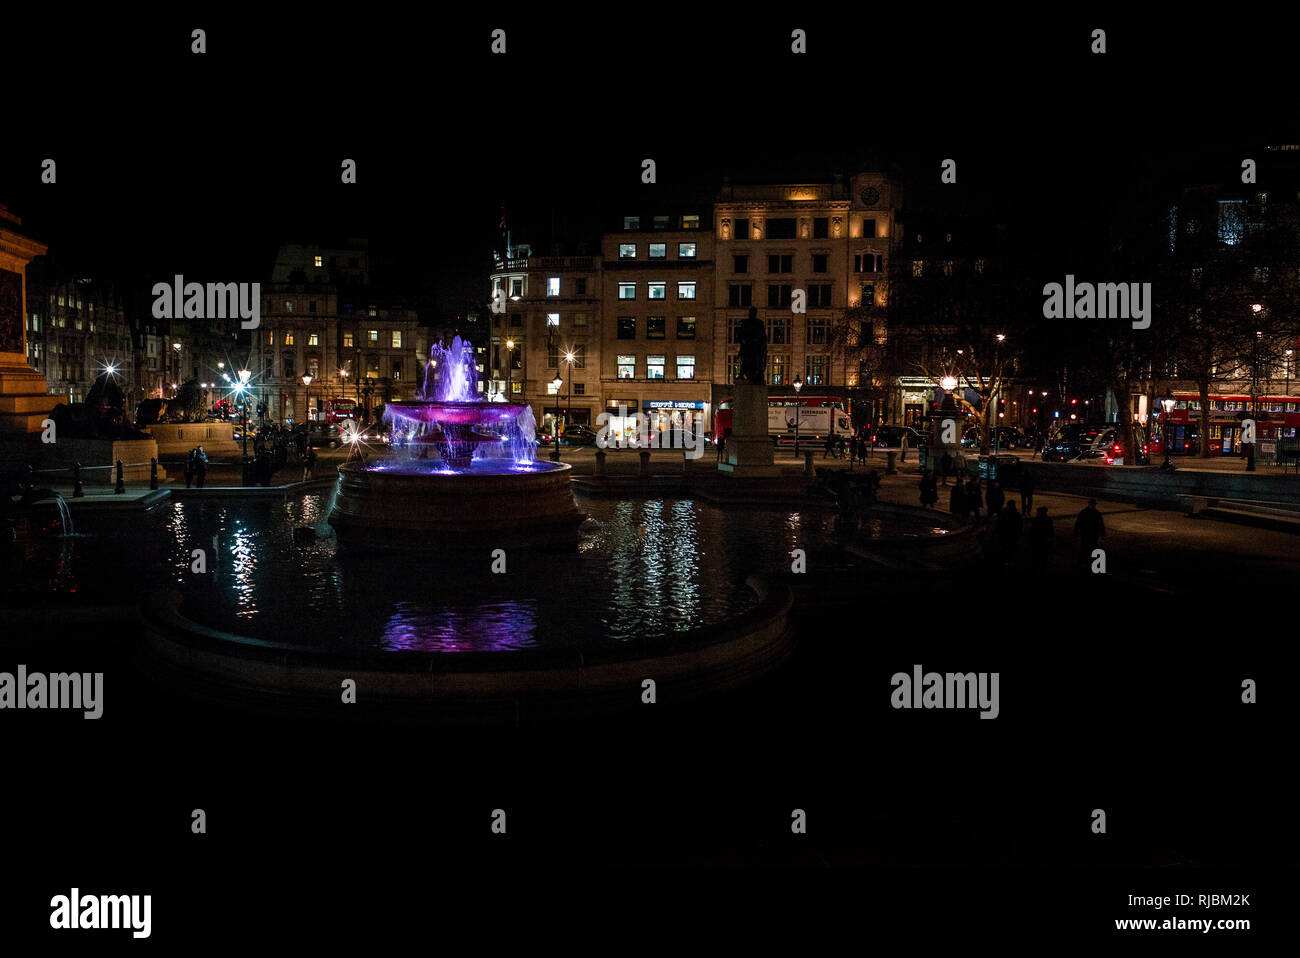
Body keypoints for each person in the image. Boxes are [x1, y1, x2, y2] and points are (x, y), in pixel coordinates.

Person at [1074, 498, 1105, 565]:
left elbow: (1101, 524)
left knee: (1087, 547)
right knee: (1087, 547)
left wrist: (1076, 532)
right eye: (1092, 504)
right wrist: (1102, 533)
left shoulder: (1084, 512)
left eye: (1093, 504)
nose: (1093, 505)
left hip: (1089, 533)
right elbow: (1101, 524)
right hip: (1090, 533)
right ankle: (1086, 561)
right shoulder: (1096, 513)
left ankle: (1083, 561)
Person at [997, 500, 1022, 566]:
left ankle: (1007, 561)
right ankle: (1008, 561)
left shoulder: (1006, 513)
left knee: (1007, 548)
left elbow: (999, 523)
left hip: (1008, 534)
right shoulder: (1015, 514)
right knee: (1009, 548)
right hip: (1009, 535)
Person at [1029, 506, 1053, 573]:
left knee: (1037, 555)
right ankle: (1042, 568)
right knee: (1043, 554)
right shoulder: (1048, 519)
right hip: (1044, 540)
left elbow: (1032, 530)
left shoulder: (1036, 519)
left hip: (1038, 540)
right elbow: (1051, 530)